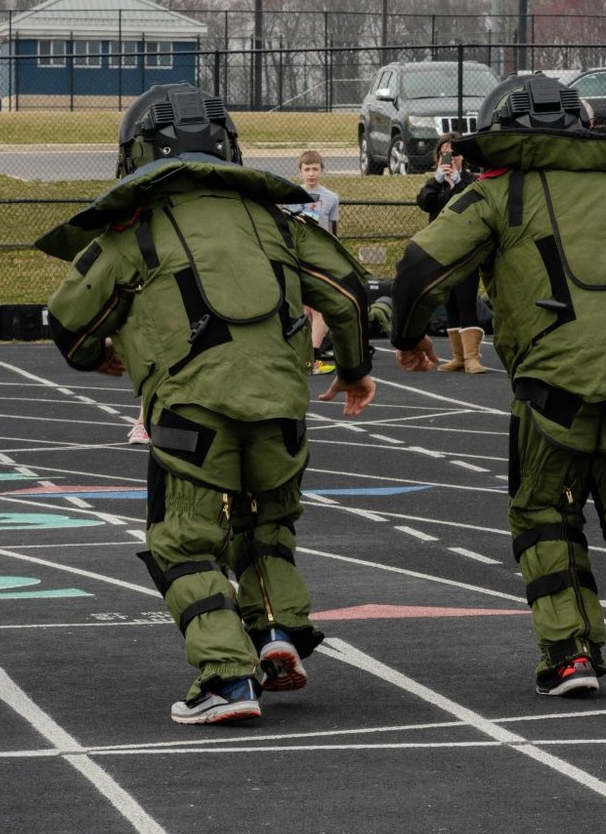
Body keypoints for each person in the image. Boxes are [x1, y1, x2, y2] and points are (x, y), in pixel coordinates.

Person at [37, 86, 376, 725]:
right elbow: (349, 294)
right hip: (281, 405)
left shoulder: (135, 228)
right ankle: (277, 632)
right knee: (266, 525)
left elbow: (69, 319)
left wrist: (99, 356)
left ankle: (225, 676)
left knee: (183, 542)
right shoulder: (278, 219)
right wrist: (355, 370)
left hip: (191, 413)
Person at [391, 75, 606, 698]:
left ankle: (570, 654)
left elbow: (419, 263)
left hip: (551, 392)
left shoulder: (496, 195)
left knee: (545, 514)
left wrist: (410, 337)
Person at [414, 133, 487, 373]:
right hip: (441, 252)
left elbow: (466, 202)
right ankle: (458, 356)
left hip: (465, 250)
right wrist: (438, 180)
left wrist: (457, 182)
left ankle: (472, 357)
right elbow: (425, 202)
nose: (450, 158)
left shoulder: (471, 181)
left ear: (462, 156)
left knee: (466, 301)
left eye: (454, 153)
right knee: (451, 303)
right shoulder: (433, 183)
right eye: (444, 153)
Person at [289, 150, 342, 375]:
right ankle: (305, 359)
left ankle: (311, 358)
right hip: (297, 257)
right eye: (307, 169)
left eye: (315, 169)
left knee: (320, 309)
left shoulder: (330, 198)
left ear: (321, 170)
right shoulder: (291, 195)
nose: (311, 174)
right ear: (300, 171)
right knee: (304, 309)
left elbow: (331, 232)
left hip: (319, 258)